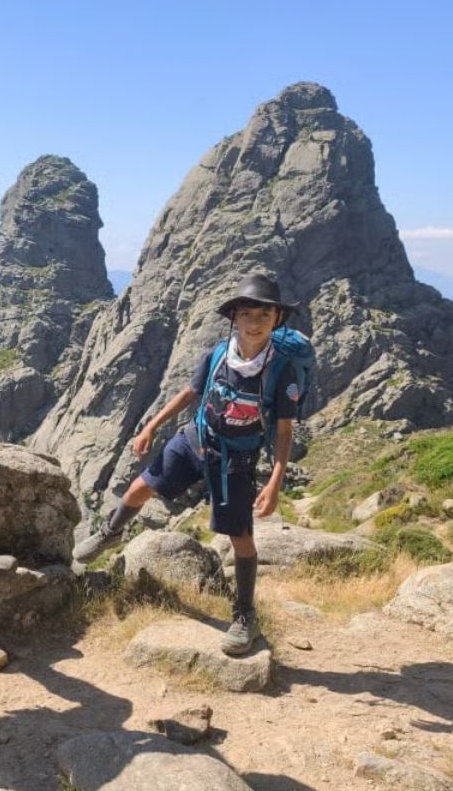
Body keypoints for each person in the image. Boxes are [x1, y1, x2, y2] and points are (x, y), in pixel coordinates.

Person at [72, 273, 299, 655]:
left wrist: (275, 481)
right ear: (234, 318)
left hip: (236, 459)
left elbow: (284, 431)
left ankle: (246, 615)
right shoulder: (218, 353)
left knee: (240, 536)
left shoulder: (282, 369)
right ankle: (110, 533)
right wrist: (151, 426)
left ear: (277, 319)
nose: (254, 322)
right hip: (196, 439)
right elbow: (190, 393)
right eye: (246, 314)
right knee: (141, 486)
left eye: (264, 314)